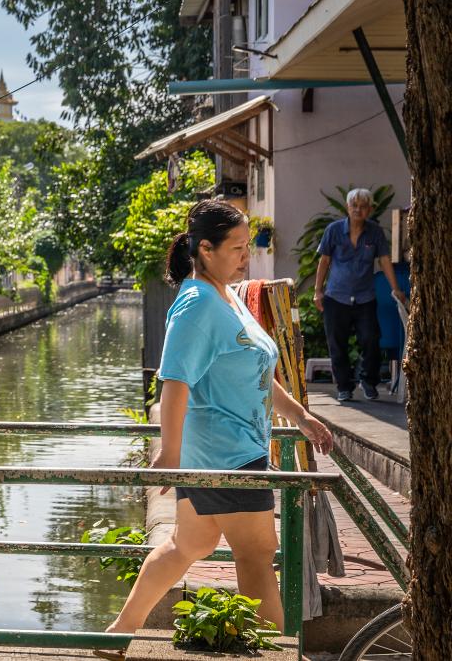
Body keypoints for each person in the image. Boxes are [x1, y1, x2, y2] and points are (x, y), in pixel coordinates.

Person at [97, 199, 332, 660]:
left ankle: (118, 633)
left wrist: (300, 416)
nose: (246, 256)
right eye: (237, 248)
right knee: (258, 555)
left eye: (248, 246)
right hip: (225, 453)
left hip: (232, 445)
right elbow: (175, 379)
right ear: (205, 248)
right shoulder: (196, 303)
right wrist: (169, 453)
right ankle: (277, 656)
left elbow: (258, 370)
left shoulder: (226, 295)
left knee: (192, 542)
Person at [313, 187, 408, 402]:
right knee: (337, 344)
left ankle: (368, 382)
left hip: (365, 297)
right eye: (354, 205)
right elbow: (324, 261)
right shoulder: (334, 230)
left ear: (370, 209)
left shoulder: (375, 232)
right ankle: (344, 386)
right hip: (336, 297)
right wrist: (318, 292)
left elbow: (384, 260)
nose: (358, 209)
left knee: (371, 340)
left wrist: (395, 288)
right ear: (348, 207)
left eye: (363, 206)